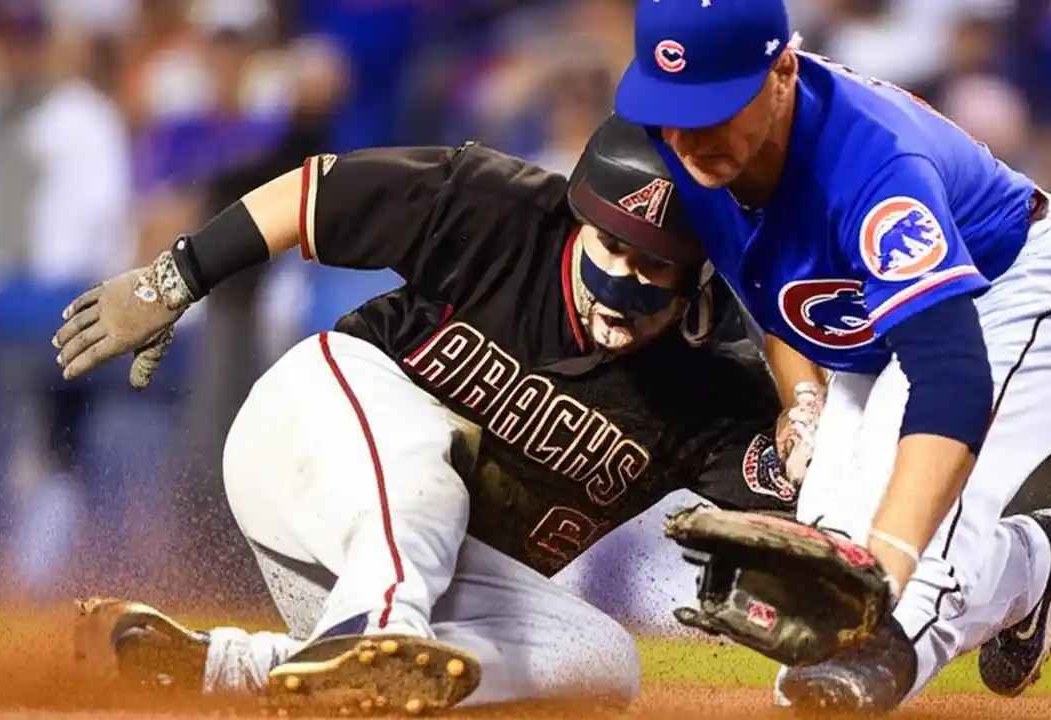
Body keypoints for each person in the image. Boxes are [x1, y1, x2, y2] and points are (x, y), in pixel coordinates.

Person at [59, 116, 792, 713]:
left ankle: (235, 669)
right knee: (425, 475)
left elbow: (815, 517)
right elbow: (320, 195)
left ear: (699, 276)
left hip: (379, 577)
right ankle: (376, 632)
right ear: (579, 217)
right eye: (609, 246)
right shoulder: (501, 209)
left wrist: (837, 532)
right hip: (311, 435)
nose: (619, 281)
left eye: (653, 268)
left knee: (602, 664)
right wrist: (170, 282)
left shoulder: (717, 383)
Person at [613, 0, 1051, 713]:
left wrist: (885, 570)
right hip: (872, 339)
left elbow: (951, 377)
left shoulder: (874, 170)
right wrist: (804, 405)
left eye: (714, 105)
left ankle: (937, 601)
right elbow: (785, 297)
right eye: (672, 105)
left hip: (1020, 286)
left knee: (868, 621)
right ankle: (1027, 565)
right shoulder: (680, 144)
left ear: (783, 70)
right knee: (819, 611)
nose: (687, 133)